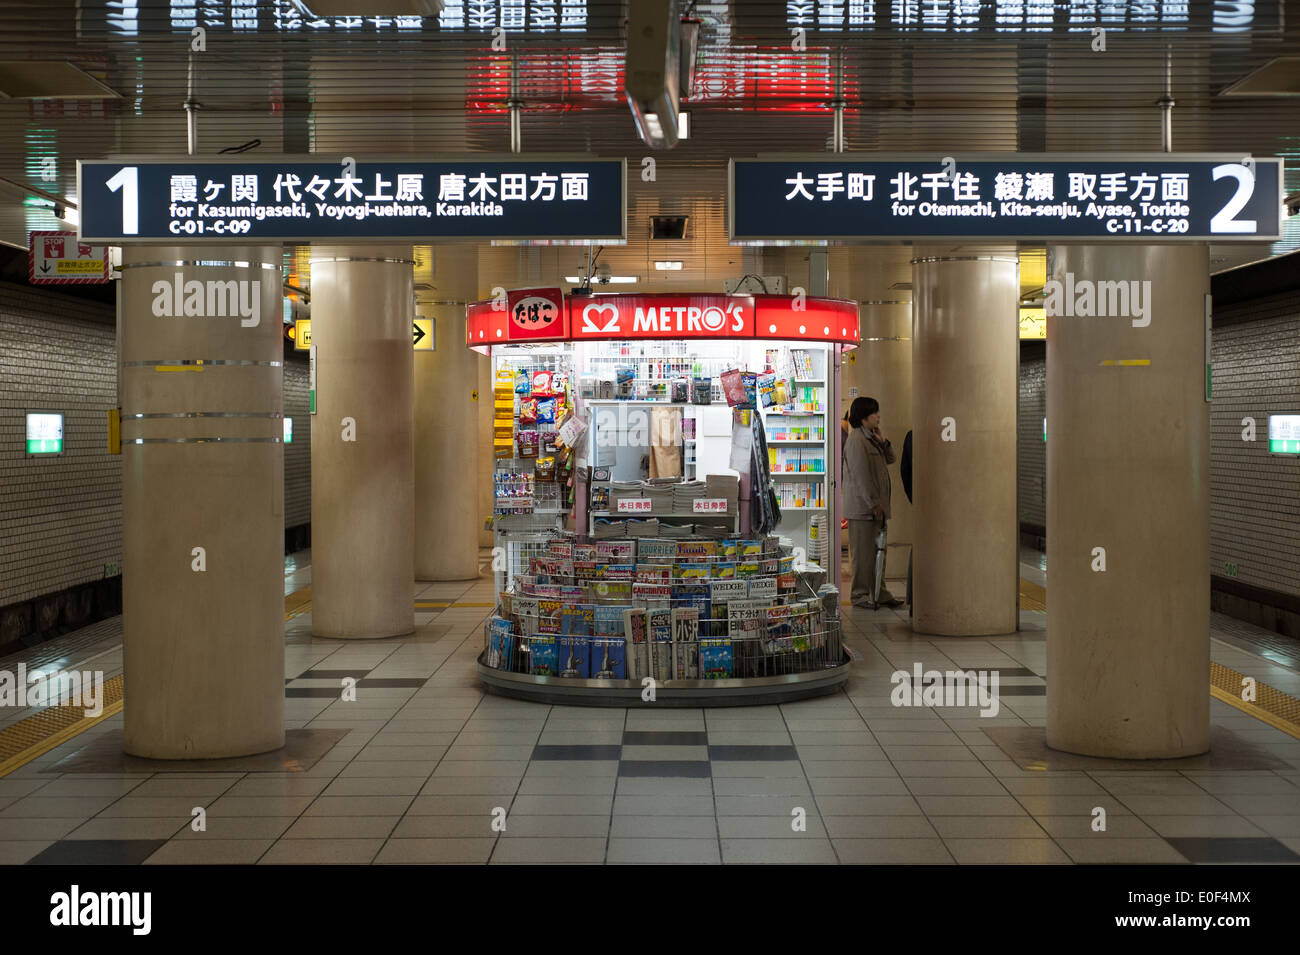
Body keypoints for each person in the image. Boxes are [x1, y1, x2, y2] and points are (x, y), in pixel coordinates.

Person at [843, 396, 902, 609]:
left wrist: (883, 441)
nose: (878, 416)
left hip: (876, 509)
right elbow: (861, 477)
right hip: (863, 509)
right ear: (863, 417)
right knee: (863, 554)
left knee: (878, 552)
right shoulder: (856, 441)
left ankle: (879, 592)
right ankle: (859, 595)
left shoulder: (871, 438)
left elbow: (892, 459)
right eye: (874, 413)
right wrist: (873, 502)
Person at [900, 430, 913, 615]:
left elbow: (904, 469)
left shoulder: (911, 435)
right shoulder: (913, 435)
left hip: (922, 502)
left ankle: (913, 599)